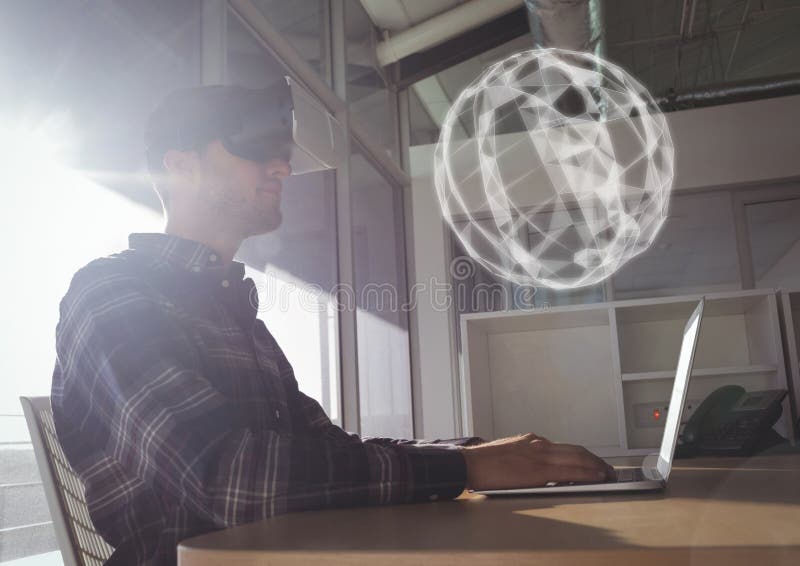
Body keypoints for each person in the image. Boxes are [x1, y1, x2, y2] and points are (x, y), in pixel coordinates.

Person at [51, 85, 614, 566]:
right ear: (178, 164)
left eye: (280, 151)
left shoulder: (233, 312)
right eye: (254, 146)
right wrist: (462, 467)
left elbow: (323, 449)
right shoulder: (112, 295)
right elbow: (227, 478)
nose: (282, 166)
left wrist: (478, 454)